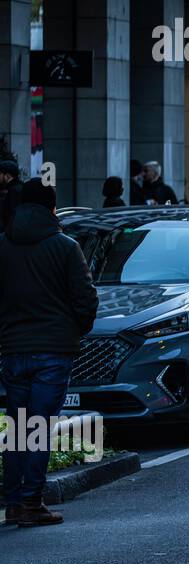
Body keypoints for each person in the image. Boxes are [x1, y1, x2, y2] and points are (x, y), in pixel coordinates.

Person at [0, 180, 99, 526]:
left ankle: (13, 501)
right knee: (40, 425)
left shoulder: (3, 246)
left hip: (13, 350)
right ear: (52, 208)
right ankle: (31, 502)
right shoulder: (66, 247)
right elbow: (86, 300)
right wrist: (74, 331)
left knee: (18, 426)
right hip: (54, 350)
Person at [0, 159, 23, 234]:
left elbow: (11, 216)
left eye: (0, 174)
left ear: (7, 175)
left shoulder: (14, 191)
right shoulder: (18, 188)